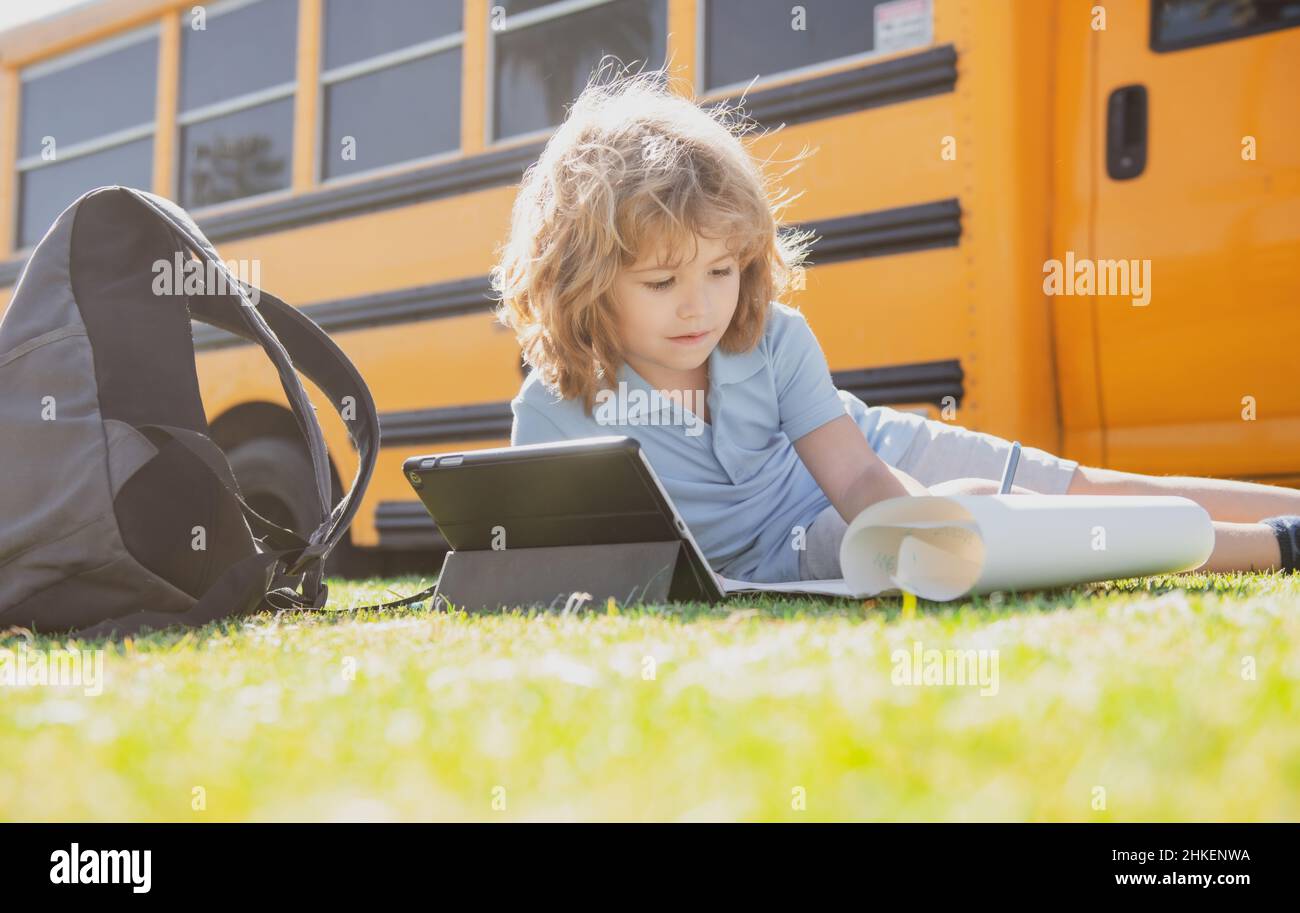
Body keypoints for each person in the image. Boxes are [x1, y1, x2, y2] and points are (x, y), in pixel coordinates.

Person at [492, 65, 1299, 584]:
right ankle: (1279, 545)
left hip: (871, 458)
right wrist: (950, 525)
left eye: (723, 270)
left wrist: (928, 509)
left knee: (1078, 487)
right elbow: (555, 562)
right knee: (1015, 525)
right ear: (585, 281)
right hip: (804, 542)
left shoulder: (773, 338)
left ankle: (1288, 509)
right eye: (663, 281)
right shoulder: (554, 407)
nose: (700, 306)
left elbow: (855, 474)